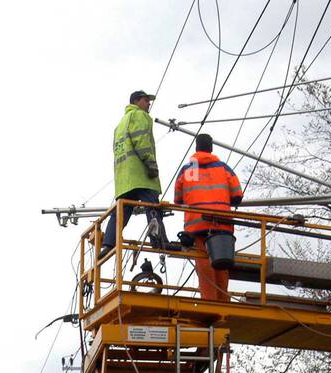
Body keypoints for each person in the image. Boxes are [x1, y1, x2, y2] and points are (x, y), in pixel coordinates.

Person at [173, 133, 243, 302]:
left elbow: (178, 199)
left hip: (198, 225)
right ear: (211, 149)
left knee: (204, 264)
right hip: (222, 223)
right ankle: (223, 302)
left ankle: (209, 301)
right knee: (222, 262)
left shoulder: (189, 170)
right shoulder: (224, 168)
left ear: (196, 148)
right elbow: (237, 195)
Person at [102, 90, 174, 254]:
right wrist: (150, 162)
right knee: (152, 205)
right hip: (140, 173)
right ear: (137, 101)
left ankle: (108, 244)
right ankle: (159, 240)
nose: (149, 104)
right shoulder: (140, 116)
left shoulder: (120, 124)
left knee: (121, 210)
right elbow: (141, 140)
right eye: (146, 100)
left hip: (124, 178)